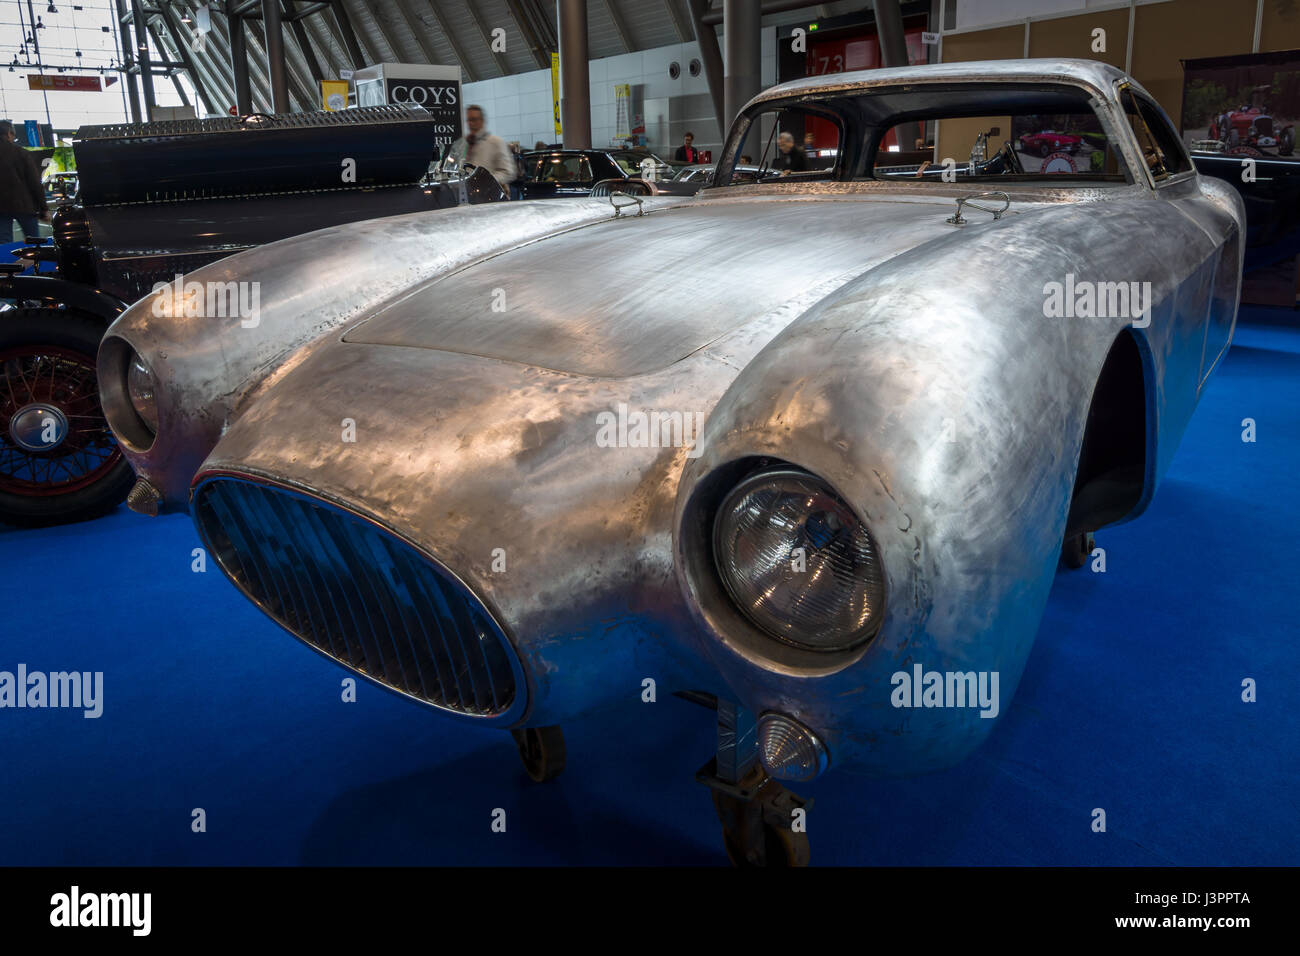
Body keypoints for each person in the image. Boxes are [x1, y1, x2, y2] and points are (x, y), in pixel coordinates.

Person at [0, 120, 48, 242]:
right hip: (25, 205)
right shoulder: (21, 153)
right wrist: (44, 208)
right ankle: (37, 260)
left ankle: (8, 261)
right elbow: (35, 182)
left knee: (4, 244)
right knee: (34, 241)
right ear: (9, 134)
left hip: (1, 208)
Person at [447, 105, 515, 190]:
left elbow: (508, 172)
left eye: (474, 119)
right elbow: (453, 167)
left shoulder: (496, 142)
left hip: (489, 194)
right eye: (468, 120)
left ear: (482, 121)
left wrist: (485, 180)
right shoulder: (462, 143)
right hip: (465, 193)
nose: (470, 123)